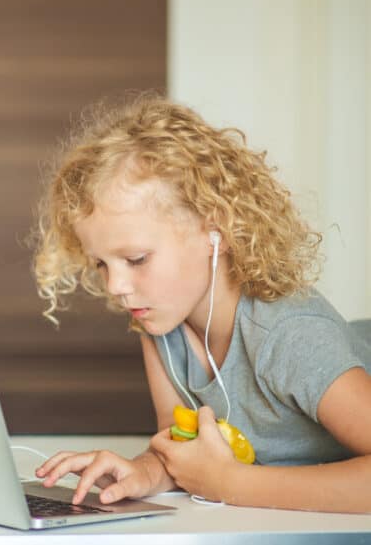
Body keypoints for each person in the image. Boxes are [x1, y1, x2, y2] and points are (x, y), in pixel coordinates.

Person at [31, 96, 371, 513]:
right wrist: (143, 472)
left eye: (136, 259)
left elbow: (222, 480)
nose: (116, 286)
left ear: (217, 231)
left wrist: (232, 484)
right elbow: (180, 447)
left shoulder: (291, 335)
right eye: (101, 264)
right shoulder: (159, 322)